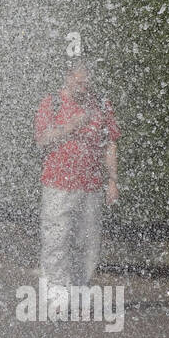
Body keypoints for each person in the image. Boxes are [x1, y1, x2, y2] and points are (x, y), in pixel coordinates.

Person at [34, 59, 120, 293]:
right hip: (58, 184)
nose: (84, 87)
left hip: (91, 185)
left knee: (88, 242)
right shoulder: (52, 103)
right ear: (68, 77)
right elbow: (41, 139)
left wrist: (112, 180)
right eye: (80, 83)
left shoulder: (101, 104)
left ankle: (80, 290)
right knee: (57, 239)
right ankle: (57, 291)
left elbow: (110, 142)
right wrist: (69, 126)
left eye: (87, 82)